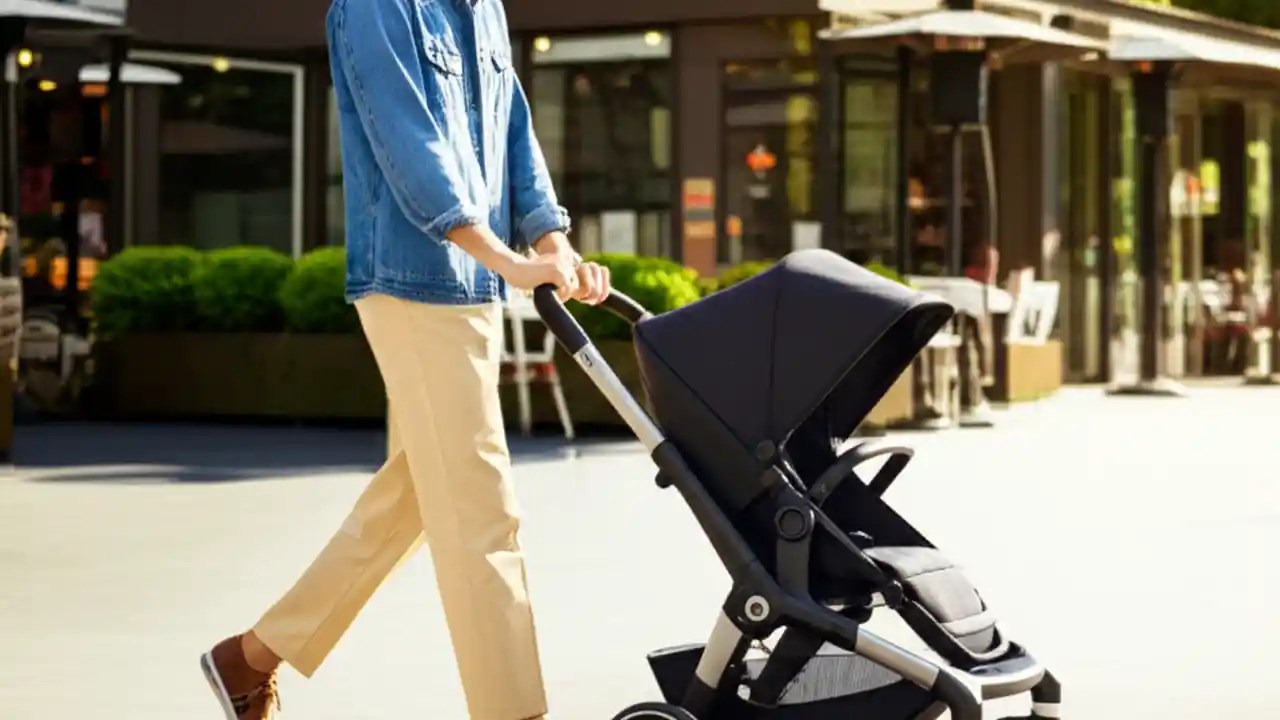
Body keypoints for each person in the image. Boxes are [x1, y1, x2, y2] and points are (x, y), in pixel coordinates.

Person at [199, 1, 611, 719]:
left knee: (424, 492)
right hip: (413, 282)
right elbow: (409, 144)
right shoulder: (374, 7)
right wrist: (503, 257)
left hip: (476, 284)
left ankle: (249, 657)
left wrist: (549, 240)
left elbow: (512, 121)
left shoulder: (483, 7)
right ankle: (514, 711)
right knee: (483, 512)